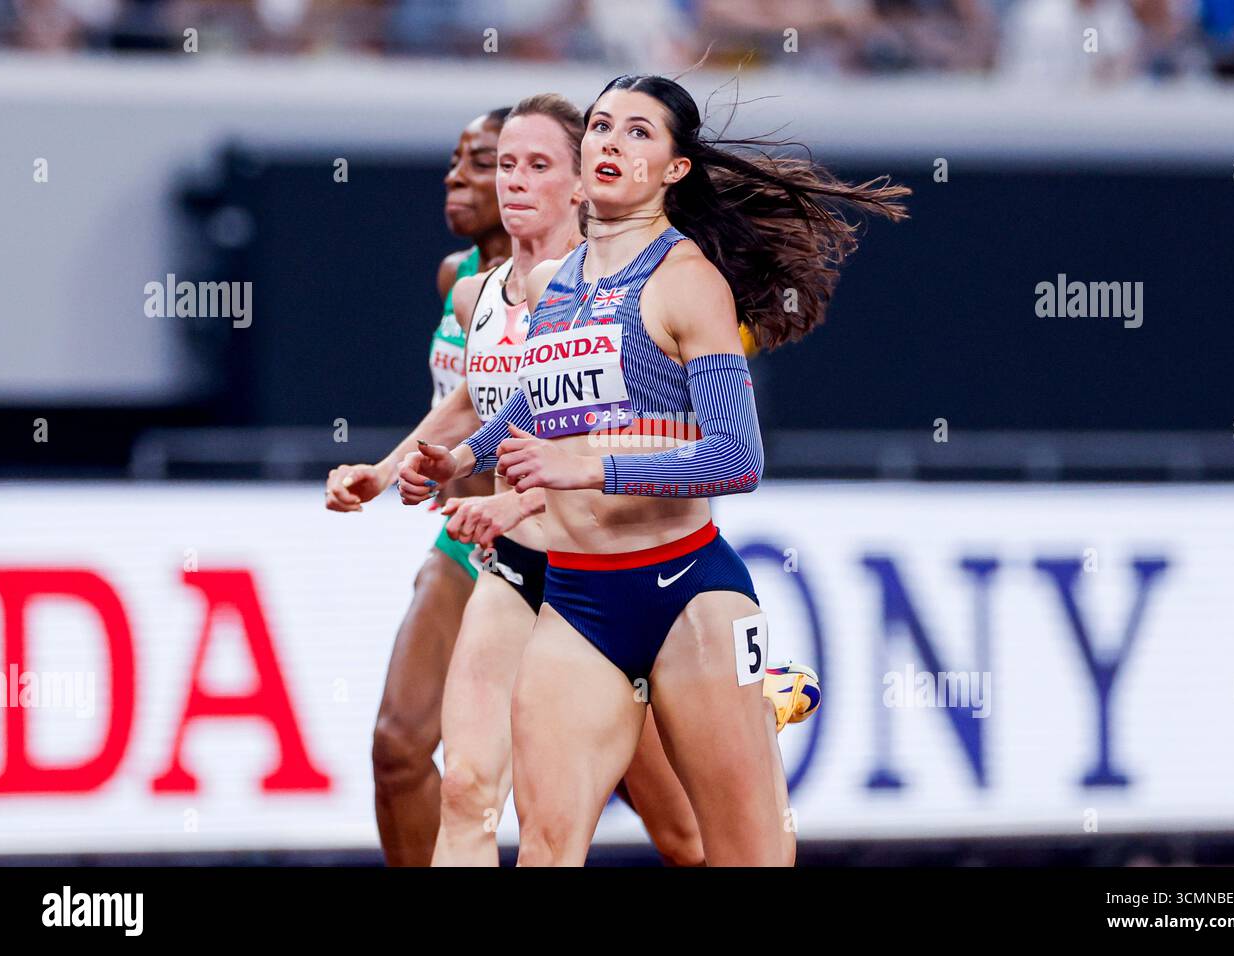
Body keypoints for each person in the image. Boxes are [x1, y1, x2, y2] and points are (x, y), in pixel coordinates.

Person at [408, 75, 903, 864]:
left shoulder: (686, 283)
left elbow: (736, 459)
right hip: (574, 599)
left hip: (686, 596)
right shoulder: (552, 283)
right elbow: (543, 404)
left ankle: (752, 700)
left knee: (740, 853)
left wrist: (587, 469)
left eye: (638, 133)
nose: (610, 141)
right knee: (544, 846)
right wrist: (468, 459)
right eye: (602, 126)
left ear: (675, 168)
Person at [323, 108, 511, 866]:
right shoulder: (457, 278)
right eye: (457, 158)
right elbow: (462, 399)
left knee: (681, 830)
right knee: (399, 748)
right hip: (469, 546)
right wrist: (384, 469)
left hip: (569, 551)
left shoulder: (580, 286)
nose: (454, 175)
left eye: (481, 161)